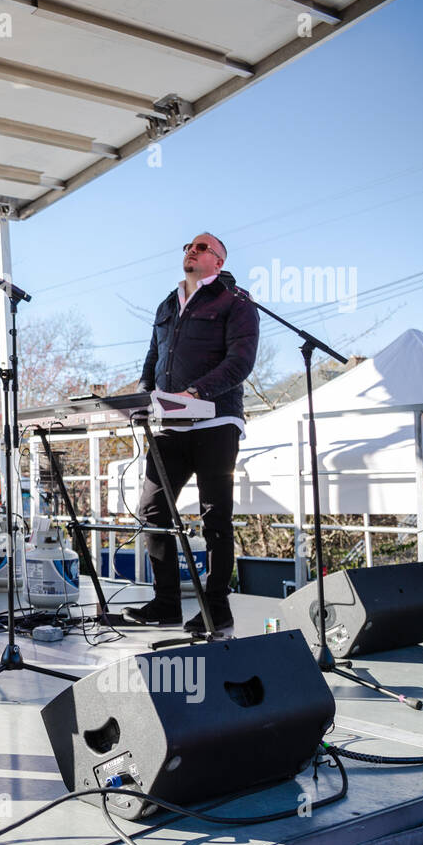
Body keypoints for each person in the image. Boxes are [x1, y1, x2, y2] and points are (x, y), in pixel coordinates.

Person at [123, 234, 259, 634]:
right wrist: (145, 394)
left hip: (216, 422)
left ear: (218, 261)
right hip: (170, 425)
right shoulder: (168, 303)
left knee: (216, 517)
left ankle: (217, 610)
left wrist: (196, 392)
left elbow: (241, 361)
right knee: (153, 509)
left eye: (200, 247)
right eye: (188, 246)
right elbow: (154, 356)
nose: (190, 251)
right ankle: (166, 603)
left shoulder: (236, 302)